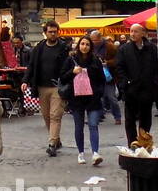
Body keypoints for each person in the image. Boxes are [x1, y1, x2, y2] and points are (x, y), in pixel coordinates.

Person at [24, 21, 69, 156]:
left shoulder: (63, 48)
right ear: (45, 32)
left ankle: (51, 144)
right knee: (46, 116)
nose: (53, 34)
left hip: (57, 87)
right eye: (50, 32)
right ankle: (56, 140)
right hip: (41, 86)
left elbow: (67, 67)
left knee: (55, 115)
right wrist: (25, 80)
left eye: (55, 31)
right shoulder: (39, 48)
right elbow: (31, 65)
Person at [61, 35, 106, 165]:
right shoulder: (71, 60)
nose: (84, 47)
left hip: (93, 99)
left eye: (87, 44)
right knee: (79, 126)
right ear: (78, 45)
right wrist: (72, 72)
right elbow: (63, 78)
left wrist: (98, 93)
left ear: (90, 47)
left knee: (93, 125)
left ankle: (95, 153)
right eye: (82, 44)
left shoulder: (95, 60)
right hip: (76, 99)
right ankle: (80, 153)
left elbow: (101, 79)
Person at [115, 23, 158, 147]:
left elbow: (156, 66)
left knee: (146, 118)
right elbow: (119, 67)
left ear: (143, 33)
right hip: (131, 89)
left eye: (136, 31)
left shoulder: (151, 48)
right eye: (131, 31)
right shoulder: (124, 49)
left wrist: (154, 83)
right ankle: (132, 143)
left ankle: (144, 141)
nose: (133, 34)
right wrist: (125, 83)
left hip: (147, 88)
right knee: (130, 119)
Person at [100, 40, 122, 125]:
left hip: (108, 77)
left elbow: (117, 60)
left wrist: (107, 63)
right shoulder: (90, 46)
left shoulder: (109, 47)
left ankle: (117, 116)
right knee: (98, 98)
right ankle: (98, 115)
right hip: (97, 77)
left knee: (112, 98)